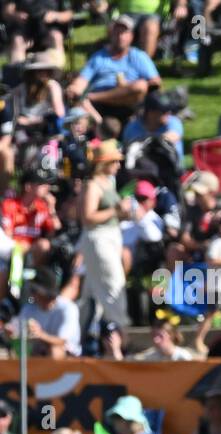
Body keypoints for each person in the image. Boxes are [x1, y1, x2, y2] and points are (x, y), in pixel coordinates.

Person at [78, 139, 130, 359]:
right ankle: (121, 336)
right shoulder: (93, 185)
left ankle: (89, 338)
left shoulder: (110, 182)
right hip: (98, 240)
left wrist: (124, 212)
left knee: (94, 292)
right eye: (115, 161)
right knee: (112, 287)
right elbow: (88, 217)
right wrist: (116, 211)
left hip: (111, 237)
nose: (118, 165)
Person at [64, 14, 161, 129]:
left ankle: (94, 101)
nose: (120, 36)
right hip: (98, 105)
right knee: (75, 97)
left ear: (131, 36)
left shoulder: (139, 56)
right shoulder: (98, 57)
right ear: (111, 34)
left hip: (128, 102)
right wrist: (75, 88)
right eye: (117, 32)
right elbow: (82, 80)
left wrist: (126, 87)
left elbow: (156, 82)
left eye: (124, 33)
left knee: (140, 86)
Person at [5, 266, 80, 358]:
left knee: (54, 350)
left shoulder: (68, 308)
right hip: (37, 354)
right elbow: (17, 331)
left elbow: (62, 341)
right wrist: (10, 332)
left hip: (69, 358)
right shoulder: (28, 309)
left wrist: (40, 334)